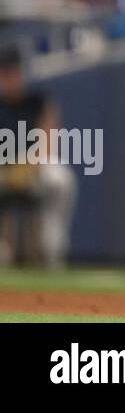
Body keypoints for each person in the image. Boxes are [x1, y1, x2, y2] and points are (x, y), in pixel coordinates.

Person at [0, 43, 77, 268]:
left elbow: (48, 139)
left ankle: (52, 247)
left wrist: (29, 165)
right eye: (5, 72)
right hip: (3, 171)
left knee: (61, 179)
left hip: (34, 169)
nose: (10, 77)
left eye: (14, 71)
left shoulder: (39, 101)